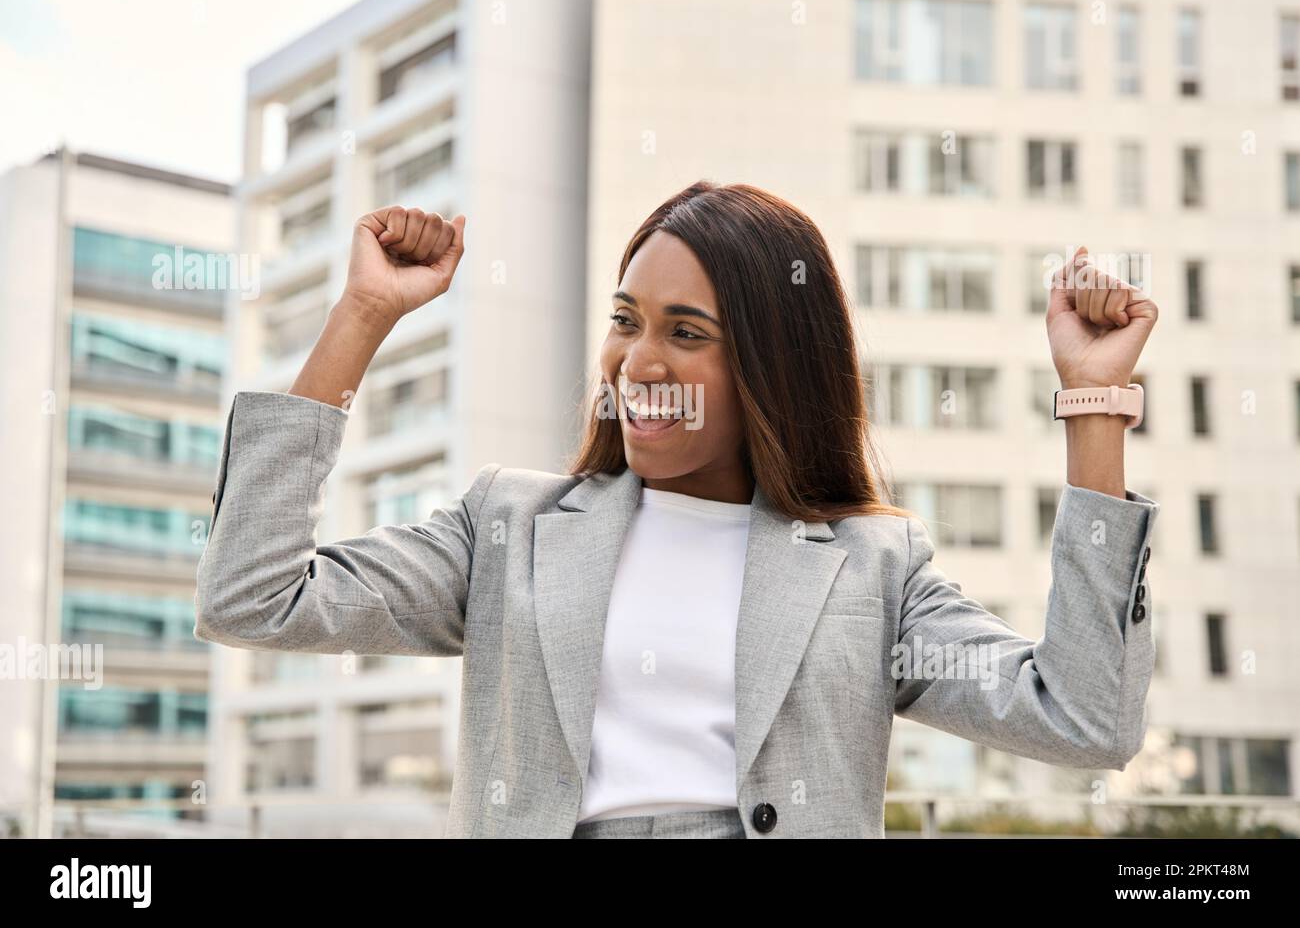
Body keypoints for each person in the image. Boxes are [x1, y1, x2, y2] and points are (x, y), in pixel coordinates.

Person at [194, 181, 1160, 838]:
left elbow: (1082, 720)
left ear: (772, 365)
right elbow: (254, 595)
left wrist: (1094, 405)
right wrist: (362, 316)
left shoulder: (873, 566)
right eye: (625, 322)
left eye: (686, 332)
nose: (638, 361)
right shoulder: (510, 528)